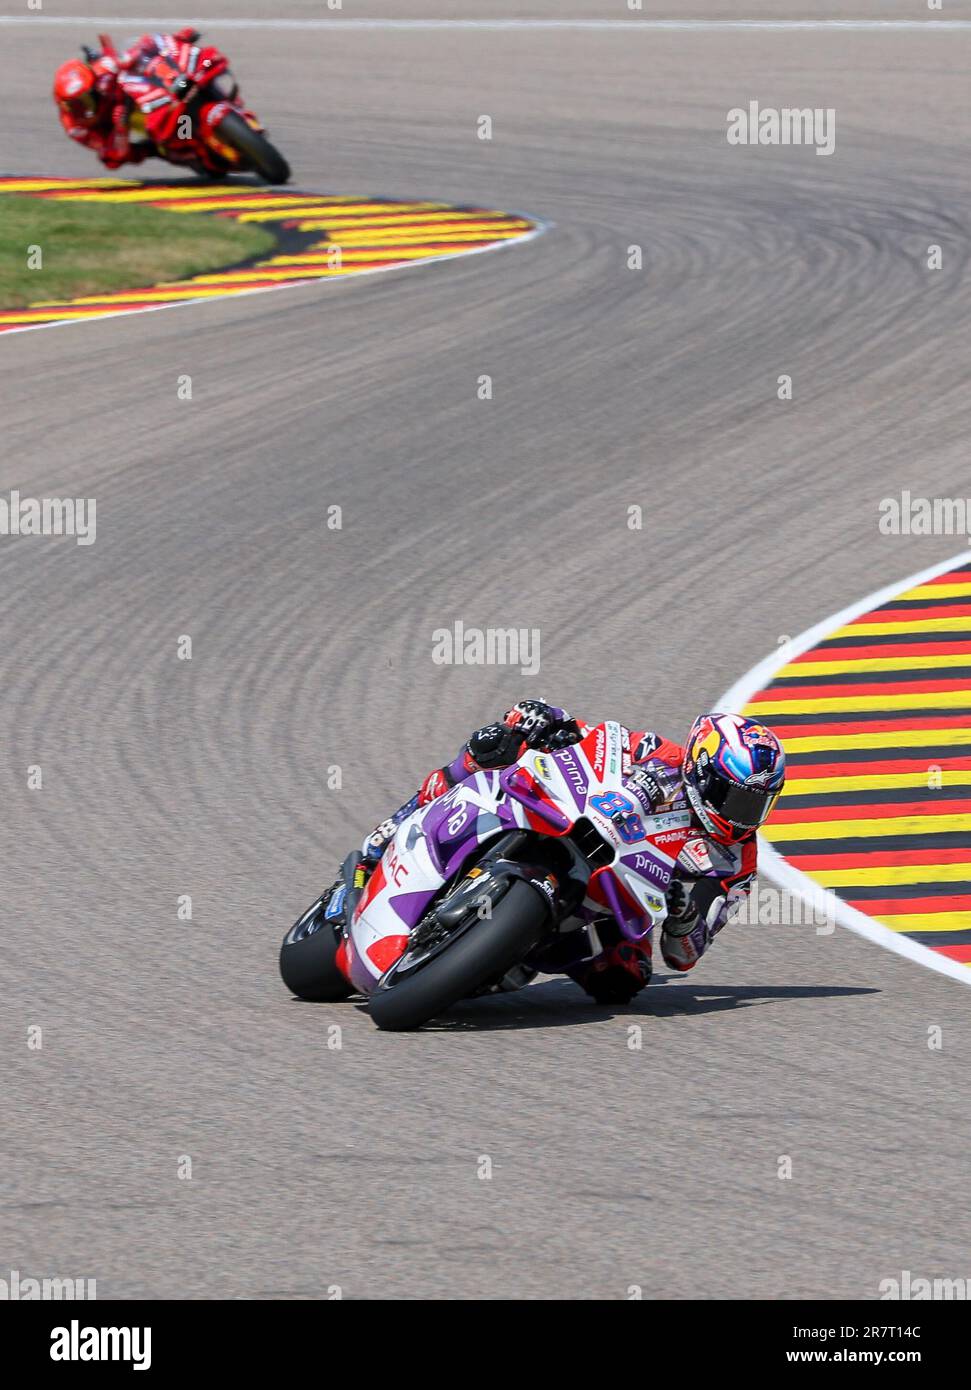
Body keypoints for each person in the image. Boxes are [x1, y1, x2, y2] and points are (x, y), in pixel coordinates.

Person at [338, 700, 785, 1004]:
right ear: (704, 771)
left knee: (624, 979)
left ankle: (503, 953)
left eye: (760, 804)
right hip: (569, 820)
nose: (745, 816)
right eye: (737, 799)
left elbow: (684, 955)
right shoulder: (653, 752)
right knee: (491, 747)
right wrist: (543, 720)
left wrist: (684, 912)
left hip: (620, 896)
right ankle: (398, 825)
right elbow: (587, 736)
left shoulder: (736, 862)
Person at [52, 29, 200, 169]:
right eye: (75, 104)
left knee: (142, 52)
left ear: (92, 86)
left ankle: (177, 43)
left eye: (84, 99)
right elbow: (103, 145)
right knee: (112, 158)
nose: (82, 107)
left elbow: (120, 58)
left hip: (125, 96)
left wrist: (127, 56)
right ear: (64, 105)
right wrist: (120, 128)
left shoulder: (101, 71)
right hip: (112, 124)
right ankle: (156, 150)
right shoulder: (75, 128)